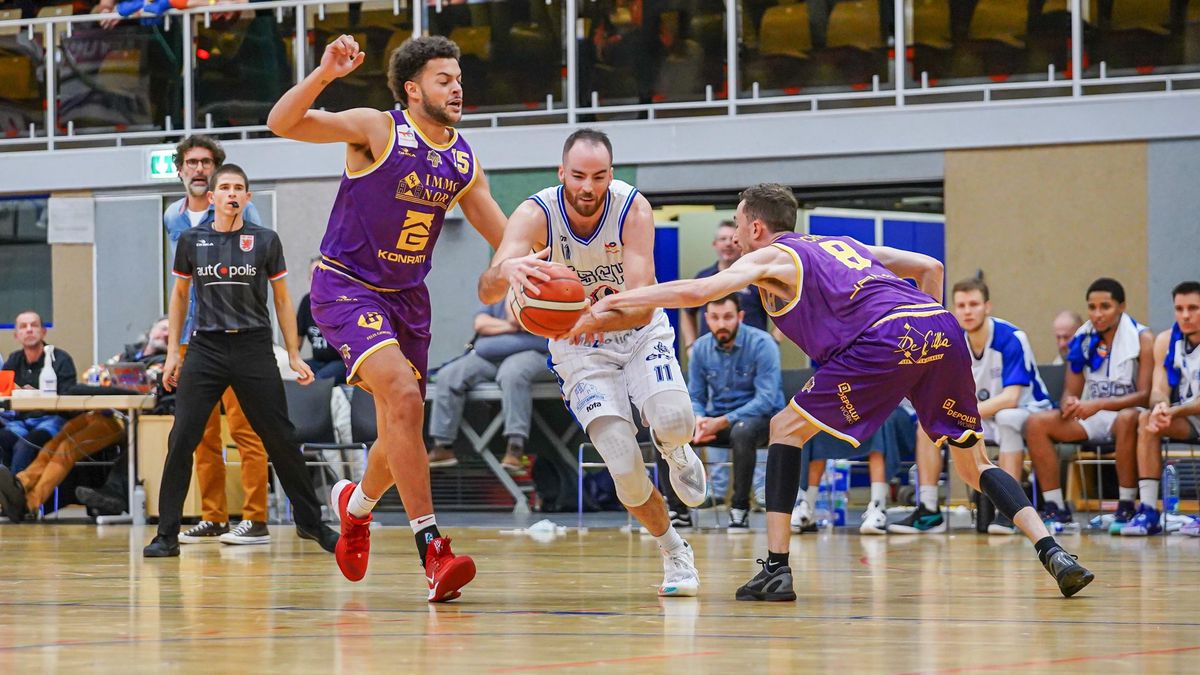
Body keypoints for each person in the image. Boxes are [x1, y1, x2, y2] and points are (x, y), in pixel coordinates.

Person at [589, 183, 1094, 599]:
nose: (737, 237)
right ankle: (1054, 552)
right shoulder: (844, 245)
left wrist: (615, 303)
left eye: (739, 226)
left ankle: (776, 568)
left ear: (757, 228)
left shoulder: (772, 258)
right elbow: (928, 268)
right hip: (937, 328)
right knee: (973, 464)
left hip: (885, 337)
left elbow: (697, 293)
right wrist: (915, 363)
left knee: (785, 427)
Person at [267, 34, 509, 602]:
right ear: (412, 87)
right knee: (401, 396)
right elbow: (282, 122)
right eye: (444, 79)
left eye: (458, 78)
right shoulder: (378, 128)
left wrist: (524, 271)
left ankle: (356, 508)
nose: (457, 88)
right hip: (346, 287)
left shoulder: (462, 158)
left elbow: (504, 237)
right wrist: (325, 74)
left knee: (401, 424)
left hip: (407, 298)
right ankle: (431, 547)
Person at [479, 128, 707, 597]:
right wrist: (508, 272)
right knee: (622, 462)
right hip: (578, 349)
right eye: (578, 176)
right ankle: (672, 549)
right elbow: (485, 288)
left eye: (599, 176)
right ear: (561, 173)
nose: (588, 186)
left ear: (611, 175)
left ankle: (674, 446)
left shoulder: (632, 208)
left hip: (638, 332)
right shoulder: (534, 214)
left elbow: (642, 302)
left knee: (675, 419)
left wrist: (590, 316)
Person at [142, 164, 339, 557]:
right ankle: (166, 535)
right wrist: (172, 355)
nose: (232, 193)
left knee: (280, 436)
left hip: (253, 348)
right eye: (225, 187)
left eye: (239, 188)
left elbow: (283, 299)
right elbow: (179, 297)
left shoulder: (265, 240)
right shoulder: (191, 240)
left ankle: (311, 523)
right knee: (183, 437)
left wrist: (294, 353)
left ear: (247, 199)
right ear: (212, 197)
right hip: (206, 348)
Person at [164, 134, 272, 547]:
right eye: (191, 162)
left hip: (239, 335)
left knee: (247, 429)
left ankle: (255, 518)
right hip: (196, 336)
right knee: (200, 433)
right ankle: (213, 516)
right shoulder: (174, 218)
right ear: (180, 170)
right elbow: (179, 284)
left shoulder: (244, 209)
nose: (198, 169)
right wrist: (172, 344)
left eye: (206, 162)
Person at [892, 278, 1053, 536]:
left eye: (974, 304)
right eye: (961, 305)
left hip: (1026, 411)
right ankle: (929, 510)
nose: (967, 311)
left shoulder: (1011, 338)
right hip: (980, 415)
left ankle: (1007, 513)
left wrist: (961, 414)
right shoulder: (951, 341)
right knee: (926, 427)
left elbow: (1010, 398)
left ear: (987, 306)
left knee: (1007, 417)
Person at [1024, 278, 1153, 531]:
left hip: (1131, 413)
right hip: (1095, 414)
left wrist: (1099, 404)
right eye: (1092, 307)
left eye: (1105, 306)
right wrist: (1069, 404)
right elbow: (1070, 392)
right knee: (1036, 423)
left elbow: (1146, 395)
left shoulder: (1143, 338)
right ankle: (1056, 508)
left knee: (1127, 417)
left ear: (1122, 307)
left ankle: (1126, 505)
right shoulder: (1082, 337)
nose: (1097, 314)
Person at [676, 293, 783, 531]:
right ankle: (679, 511)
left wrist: (722, 421)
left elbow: (766, 400)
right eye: (715, 318)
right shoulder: (701, 348)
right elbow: (696, 396)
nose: (721, 324)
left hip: (760, 421)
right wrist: (700, 419)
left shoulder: (763, 343)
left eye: (727, 317)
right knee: (669, 432)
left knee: (742, 433)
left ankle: (739, 509)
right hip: (717, 419)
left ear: (740, 317)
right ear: (707, 318)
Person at [426, 300, 551, 473]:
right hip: (489, 356)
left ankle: (515, 447)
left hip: (532, 354)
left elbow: (519, 317)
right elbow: (481, 323)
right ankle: (442, 446)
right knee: (449, 374)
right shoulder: (497, 288)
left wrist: (501, 326)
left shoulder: (541, 285)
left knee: (512, 373)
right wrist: (512, 327)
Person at [1119, 281, 1200, 536]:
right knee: (1146, 420)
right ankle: (1148, 511)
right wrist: (1161, 407)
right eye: (1179, 308)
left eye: (1193, 308)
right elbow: (1158, 389)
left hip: (1187, 412)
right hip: (1189, 417)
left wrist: (1174, 411)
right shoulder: (1166, 340)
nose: (1185, 315)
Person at [0, 312, 77, 474]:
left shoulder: (61, 359)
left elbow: (69, 397)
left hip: (51, 419)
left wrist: (39, 394)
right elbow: (3, 391)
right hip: (21, 421)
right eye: (23, 327)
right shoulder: (13, 360)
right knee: (5, 439)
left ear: (43, 331)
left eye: (34, 325)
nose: (29, 330)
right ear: (16, 335)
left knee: (25, 444)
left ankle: (16, 495)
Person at [678, 221, 770, 352]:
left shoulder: (757, 277)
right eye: (722, 239)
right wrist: (690, 346)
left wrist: (774, 340)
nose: (728, 243)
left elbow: (783, 308)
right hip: (711, 356)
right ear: (714, 244)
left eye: (732, 239)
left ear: (740, 243)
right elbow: (687, 312)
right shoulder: (704, 277)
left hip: (752, 355)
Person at [297, 256, 346, 382]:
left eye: (320, 274)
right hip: (317, 362)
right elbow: (297, 339)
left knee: (318, 380)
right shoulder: (306, 302)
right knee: (294, 376)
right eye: (313, 275)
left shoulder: (342, 303)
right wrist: (293, 361)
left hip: (341, 363)